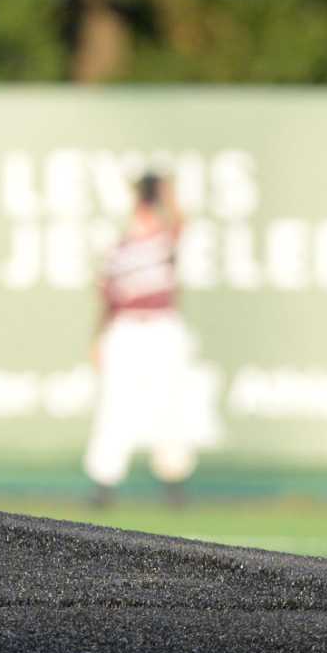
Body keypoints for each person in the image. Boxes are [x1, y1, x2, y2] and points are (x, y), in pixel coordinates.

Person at [83, 171, 201, 507]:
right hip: (126, 330)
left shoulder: (164, 240)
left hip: (162, 326)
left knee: (169, 403)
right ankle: (104, 483)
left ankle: (174, 481)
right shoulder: (120, 248)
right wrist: (98, 339)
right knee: (116, 404)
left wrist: (166, 193)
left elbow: (181, 222)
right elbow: (107, 300)